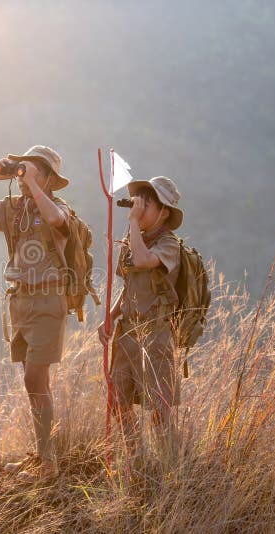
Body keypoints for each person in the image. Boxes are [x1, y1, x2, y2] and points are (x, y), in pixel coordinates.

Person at [0, 145, 73, 482]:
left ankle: (47, 464)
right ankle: (41, 457)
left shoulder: (58, 207)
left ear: (49, 178)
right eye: (24, 170)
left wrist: (35, 184)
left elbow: (56, 220)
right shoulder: (13, 209)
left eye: (35, 171)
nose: (25, 177)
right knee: (31, 380)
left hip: (49, 300)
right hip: (20, 300)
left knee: (35, 378)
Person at [97, 176, 184, 458]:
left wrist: (133, 223)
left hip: (156, 335)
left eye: (146, 205)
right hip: (128, 333)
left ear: (164, 212)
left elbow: (145, 261)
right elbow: (129, 285)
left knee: (159, 409)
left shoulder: (169, 244)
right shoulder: (134, 240)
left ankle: (169, 467)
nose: (138, 210)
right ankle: (136, 460)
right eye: (138, 204)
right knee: (119, 402)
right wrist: (111, 316)